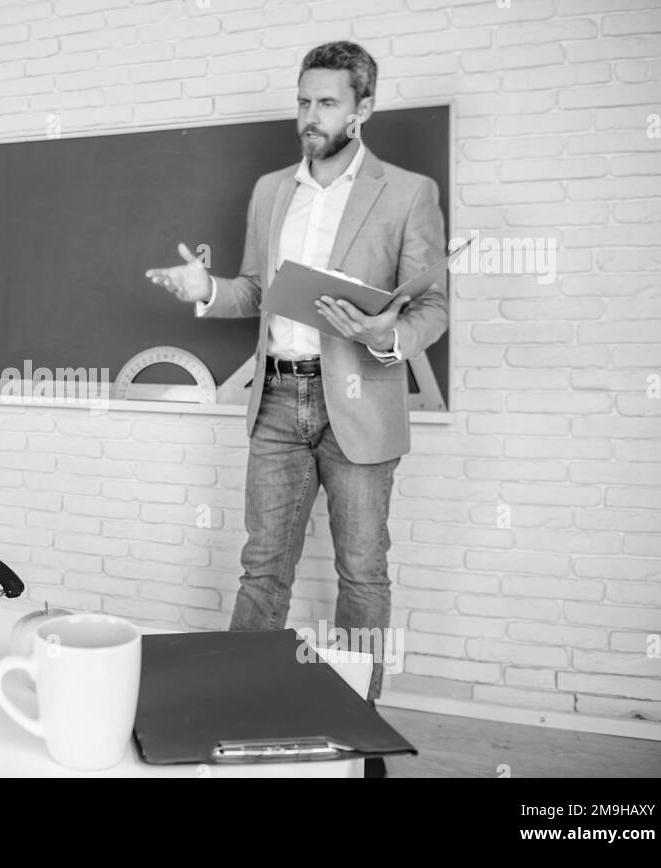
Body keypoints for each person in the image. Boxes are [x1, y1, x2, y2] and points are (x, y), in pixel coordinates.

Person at [147, 41, 449, 720]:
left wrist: (386, 337)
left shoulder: (407, 193)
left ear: (363, 107)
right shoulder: (272, 191)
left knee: (362, 571)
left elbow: (433, 305)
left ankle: (353, 717)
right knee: (262, 568)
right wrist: (208, 289)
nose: (309, 116)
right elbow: (257, 290)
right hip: (279, 400)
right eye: (303, 101)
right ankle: (237, 711)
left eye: (327, 102)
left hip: (362, 400)